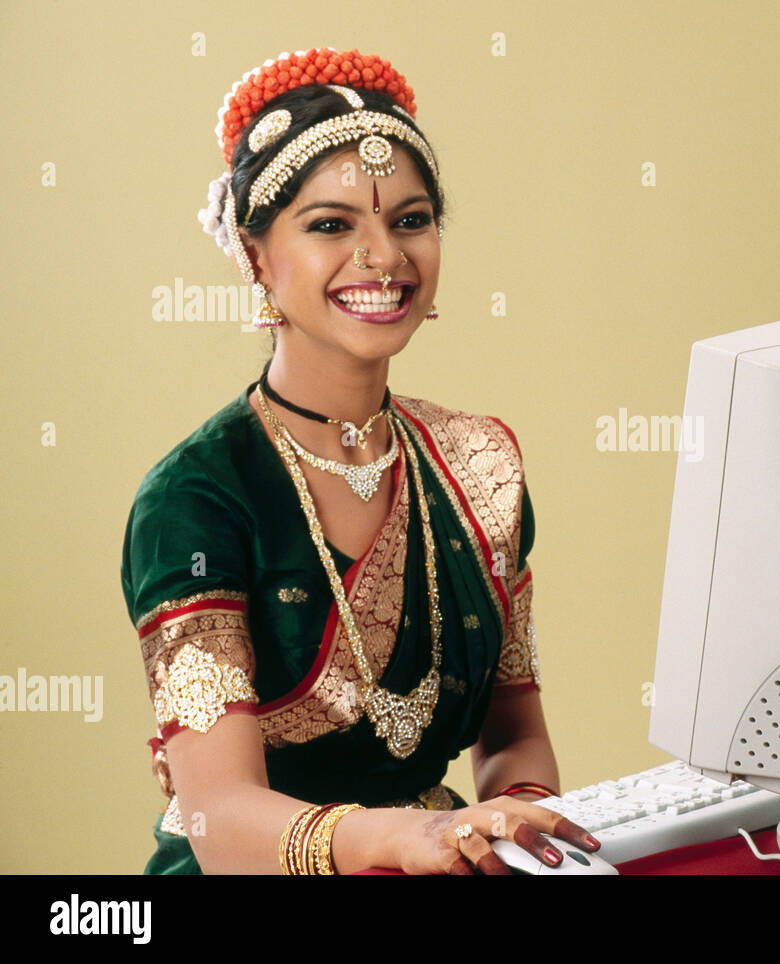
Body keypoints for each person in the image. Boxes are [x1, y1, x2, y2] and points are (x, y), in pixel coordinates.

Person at [120, 47, 597, 874]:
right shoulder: (195, 499)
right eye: (332, 225)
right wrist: (403, 840)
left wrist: (514, 829)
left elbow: (516, 736)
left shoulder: (480, 465)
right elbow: (216, 814)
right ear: (255, 255)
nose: (384, 257)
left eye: (410, 220)